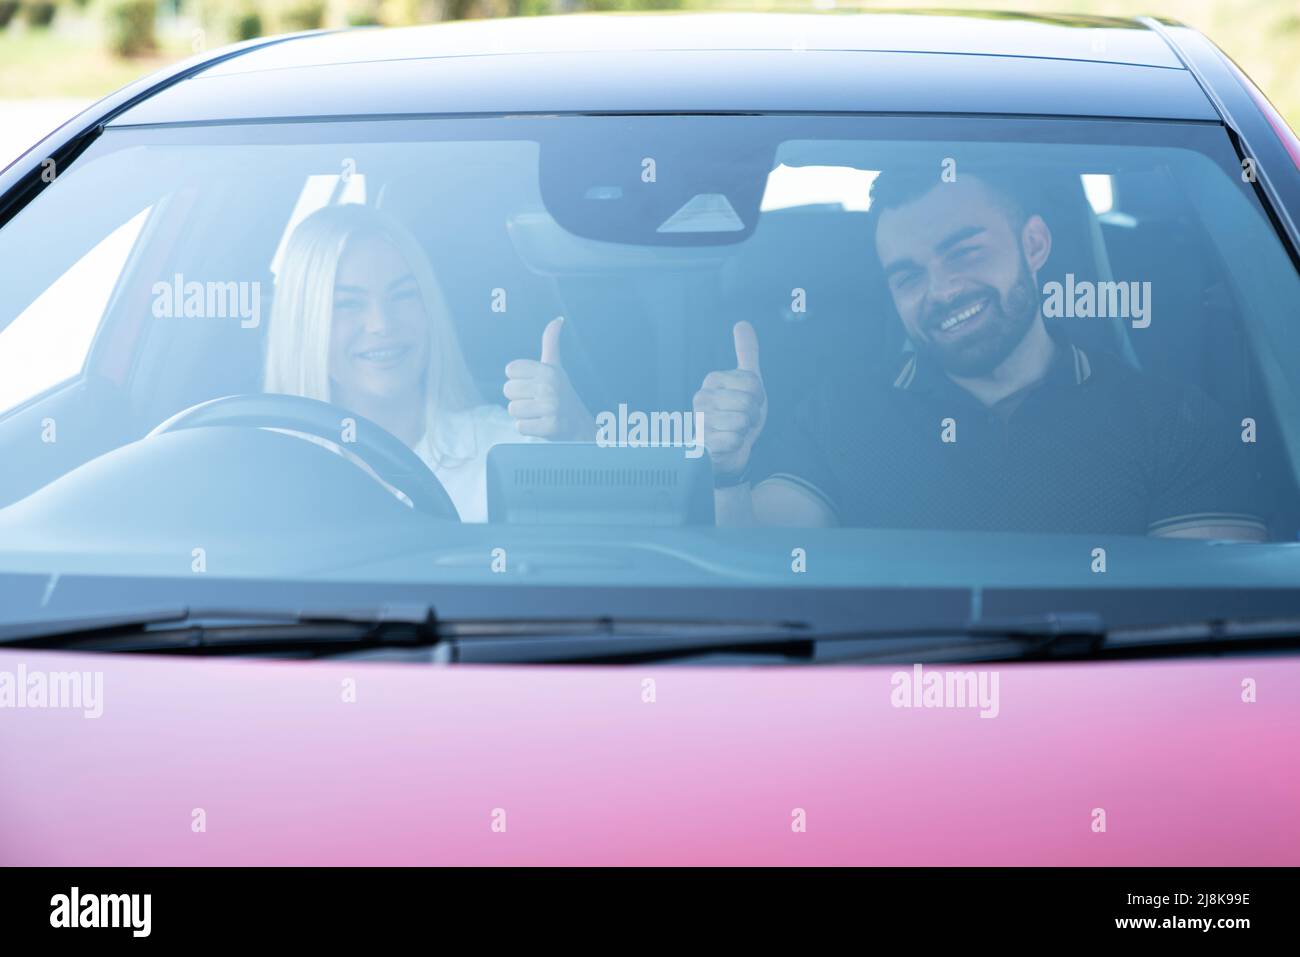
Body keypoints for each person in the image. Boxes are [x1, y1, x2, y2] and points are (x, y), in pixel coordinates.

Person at [694, 167, 1266, 540]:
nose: (941, 291)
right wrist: (730, 470)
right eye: (908, 275)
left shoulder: (1173, 424)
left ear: (1035, 244)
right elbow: (767, 569)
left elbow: (1210, 637)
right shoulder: (836, 415)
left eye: (964, 251)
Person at [264, 204, 594, 521]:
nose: (382, 324)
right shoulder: (262, 463)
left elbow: (615, 539)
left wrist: (580, 437)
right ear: (303, 323)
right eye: (347, 304)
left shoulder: (509, 450)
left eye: (404, 294)